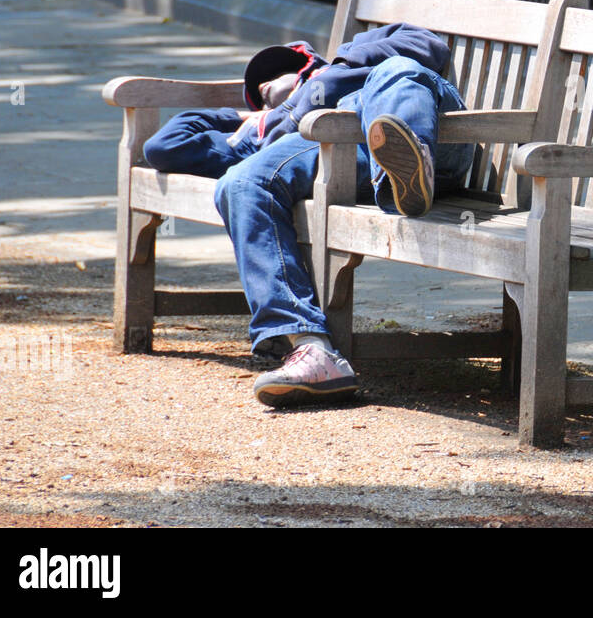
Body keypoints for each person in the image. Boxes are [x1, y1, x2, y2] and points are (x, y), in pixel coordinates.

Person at [141, 24, 474, 407]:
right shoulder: (260, 133)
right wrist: (244, 117)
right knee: (241, 182)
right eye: (259, 91)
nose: (265, 84)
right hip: (342, 153)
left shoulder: (354, 63)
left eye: (276, 72)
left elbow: (427, 44)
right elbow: (163, 146)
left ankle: (408, 166)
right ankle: (313, 350)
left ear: (307, 63)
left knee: (397, 69)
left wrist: (334, 71)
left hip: (431, 126)